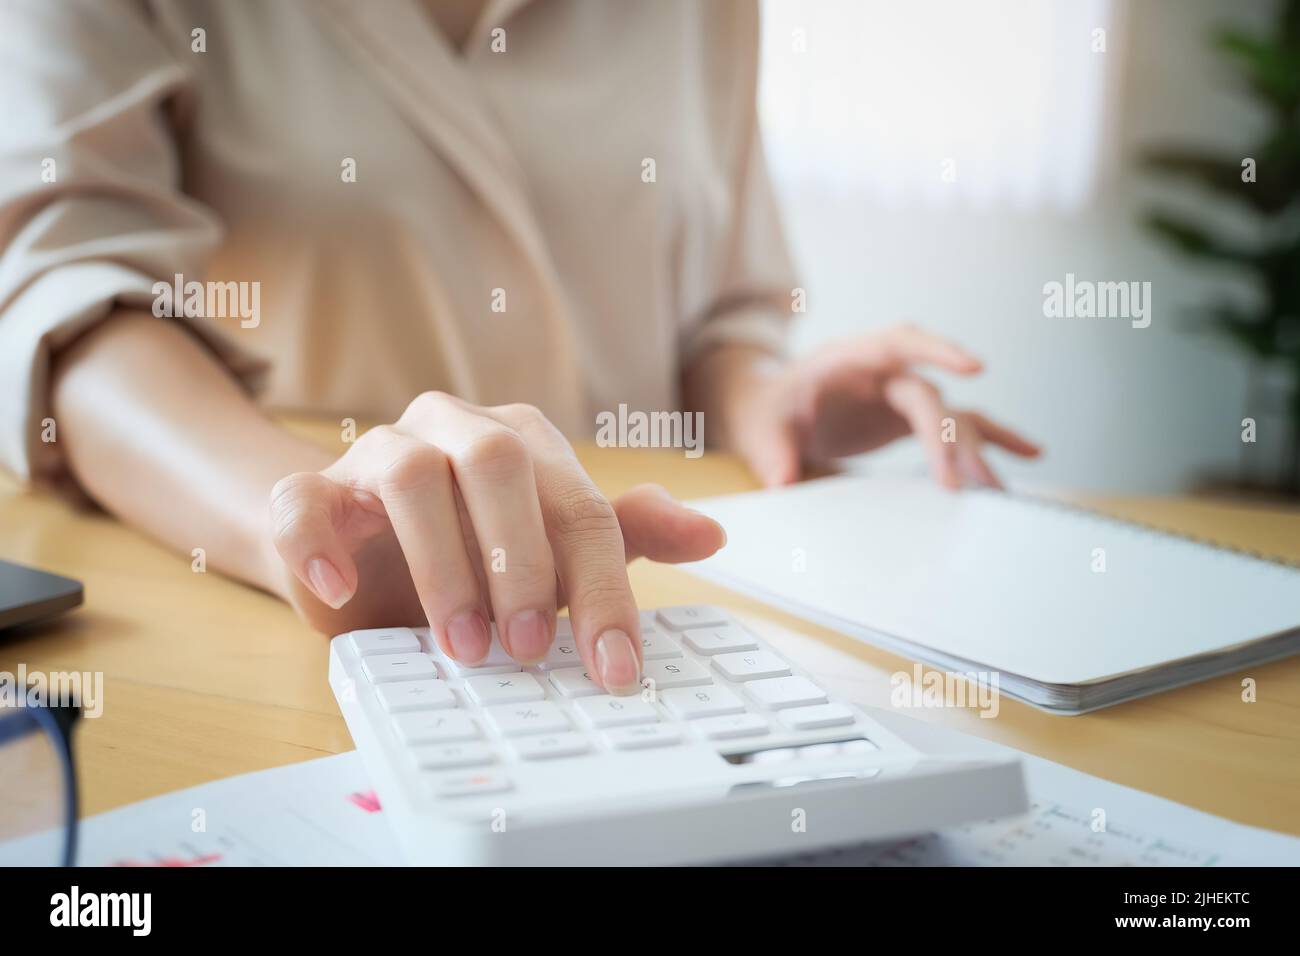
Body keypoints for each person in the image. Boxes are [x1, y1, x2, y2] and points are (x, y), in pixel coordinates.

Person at [0, 1, 1038, 695]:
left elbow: (721, 305)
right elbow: (64, 293)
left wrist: (760, 393)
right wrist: (314, 515)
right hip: (284, 639)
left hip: (626, 613)